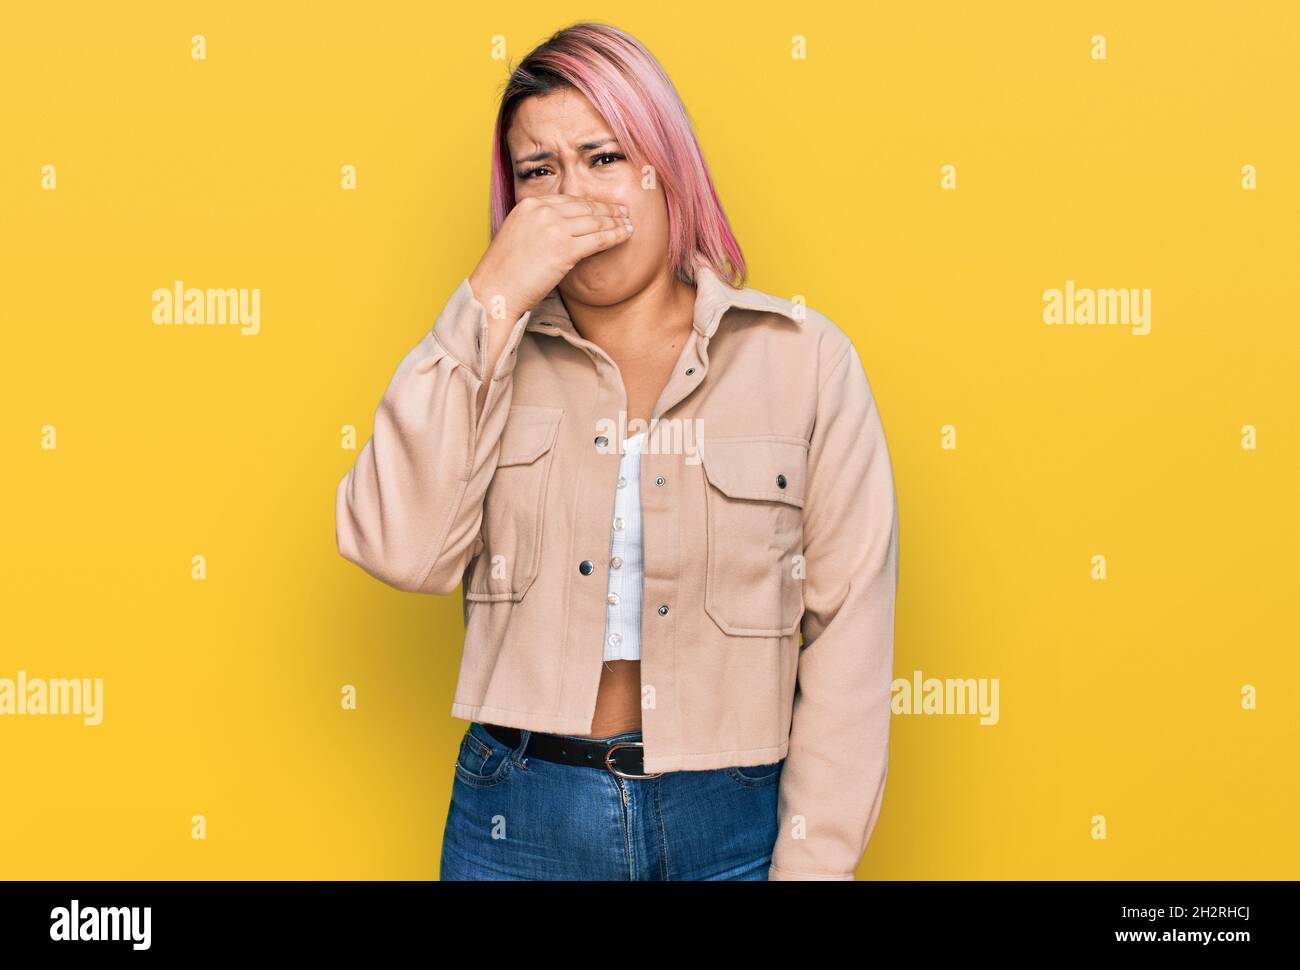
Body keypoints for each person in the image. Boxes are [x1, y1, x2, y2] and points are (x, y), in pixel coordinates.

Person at [335, 20, 900, 880]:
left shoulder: (803, 360)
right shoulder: (487, 360)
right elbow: (398, 549)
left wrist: (813, 864)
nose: (575, 197)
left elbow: (849, 634)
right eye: (539, 172)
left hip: (733, 820)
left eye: (602, 158)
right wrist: (486, 297)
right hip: (517, 817)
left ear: (662, 167)